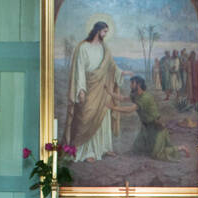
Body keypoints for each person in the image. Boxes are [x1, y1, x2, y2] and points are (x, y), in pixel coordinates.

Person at [65, 20, 121, 161]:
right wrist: (81, 89)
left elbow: (111, 66)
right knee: (86, 116)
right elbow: (80, 69)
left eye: (107, 32)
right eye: (104, 31)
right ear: (97, 31)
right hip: (89, 87)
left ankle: (103, 148)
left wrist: (121, 73)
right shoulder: (83, 47)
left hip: (102, 90)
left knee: (102, 116)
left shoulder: (104, 48)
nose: (105, 34)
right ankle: (87, 151)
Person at [113, 76, 186, 161]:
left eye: (132, 83)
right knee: (136, 150)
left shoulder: (145, 97)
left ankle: (181, 148)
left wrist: (113, 108)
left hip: (157, 128)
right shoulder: (136, 95)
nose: (130, 85)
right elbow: (123, 98)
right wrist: (108, 91)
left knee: (157, 155)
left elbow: (129, 110)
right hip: (146, 129)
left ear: (138, 84)